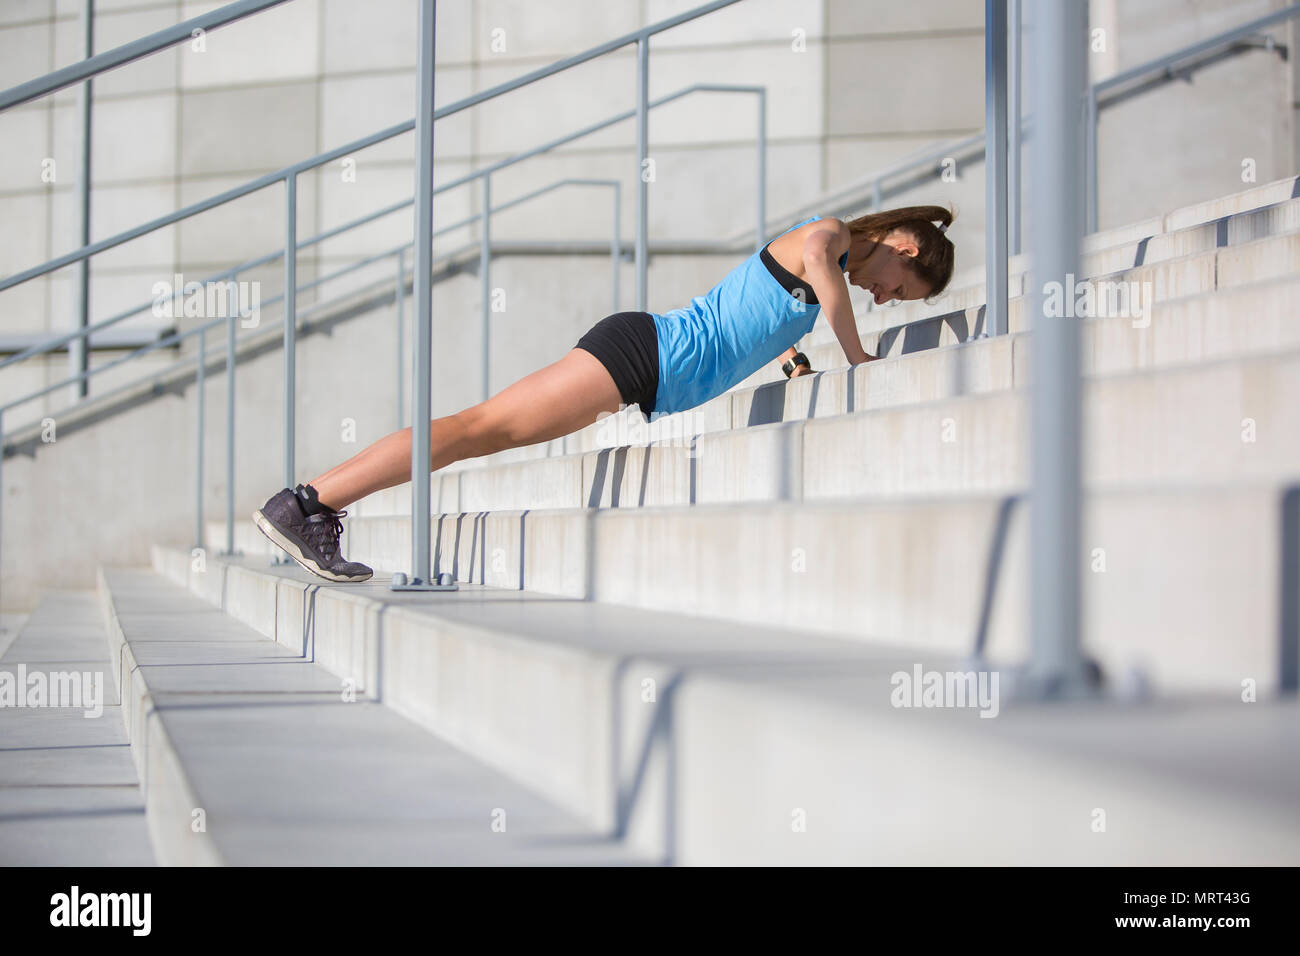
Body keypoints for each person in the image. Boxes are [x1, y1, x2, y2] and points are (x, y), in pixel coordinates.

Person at [252, 203, 956, 582]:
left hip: (648, 363)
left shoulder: (820, 276)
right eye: (902, 291)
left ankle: (308, 505)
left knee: (480, 430)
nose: (886, 299)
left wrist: (798, 359)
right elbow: (820, 274)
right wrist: (860, 357)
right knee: (477, 429)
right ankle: (307, 504)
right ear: (910, 249)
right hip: (642, 352)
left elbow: (768, 311)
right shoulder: (828, 236)